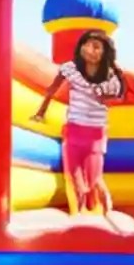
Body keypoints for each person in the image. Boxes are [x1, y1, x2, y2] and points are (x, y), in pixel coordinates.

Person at [32, 29, 126, 215]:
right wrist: (41, 112)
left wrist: (105, 95)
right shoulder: (71, 69)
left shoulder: (109, 77)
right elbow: (52, 89)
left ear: (104, 53)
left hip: (95, 136)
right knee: (76, 182)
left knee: (93, 181)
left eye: (96, 47)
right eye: (87, 44)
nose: (90, 49)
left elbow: (119, 96)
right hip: (74, 131)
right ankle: (80, 217)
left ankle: (104, 205)